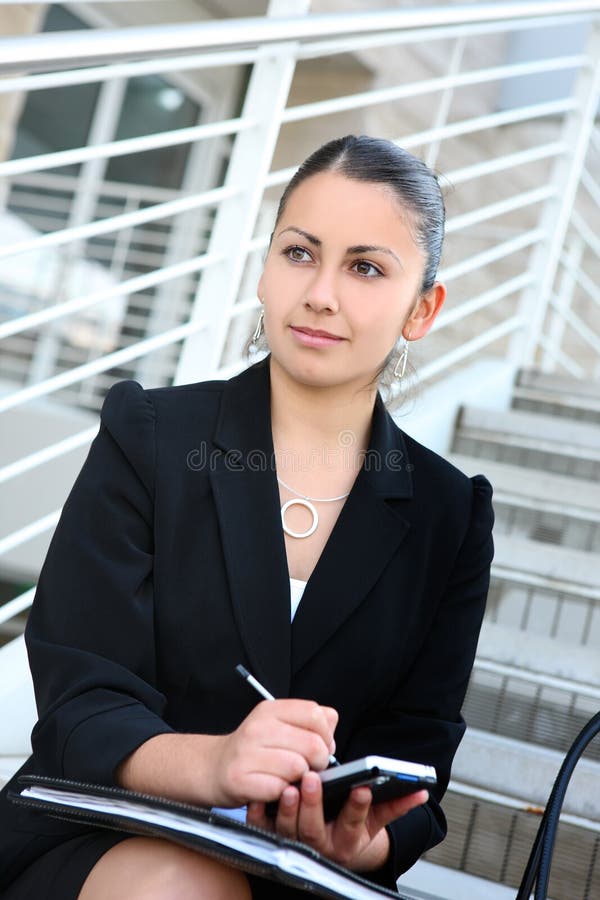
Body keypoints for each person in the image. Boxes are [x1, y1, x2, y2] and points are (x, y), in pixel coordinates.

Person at [0, 134, 494, 899]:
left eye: (365, 268)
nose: (321, 293)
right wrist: (218, 763)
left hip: (307, 874)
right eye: (300, 253)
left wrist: (359, 842)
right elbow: (81, 694)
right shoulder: (151, 437)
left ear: (422, 308)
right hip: (108, 833)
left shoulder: (449, 514)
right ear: (266, 266)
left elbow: (420, 754)